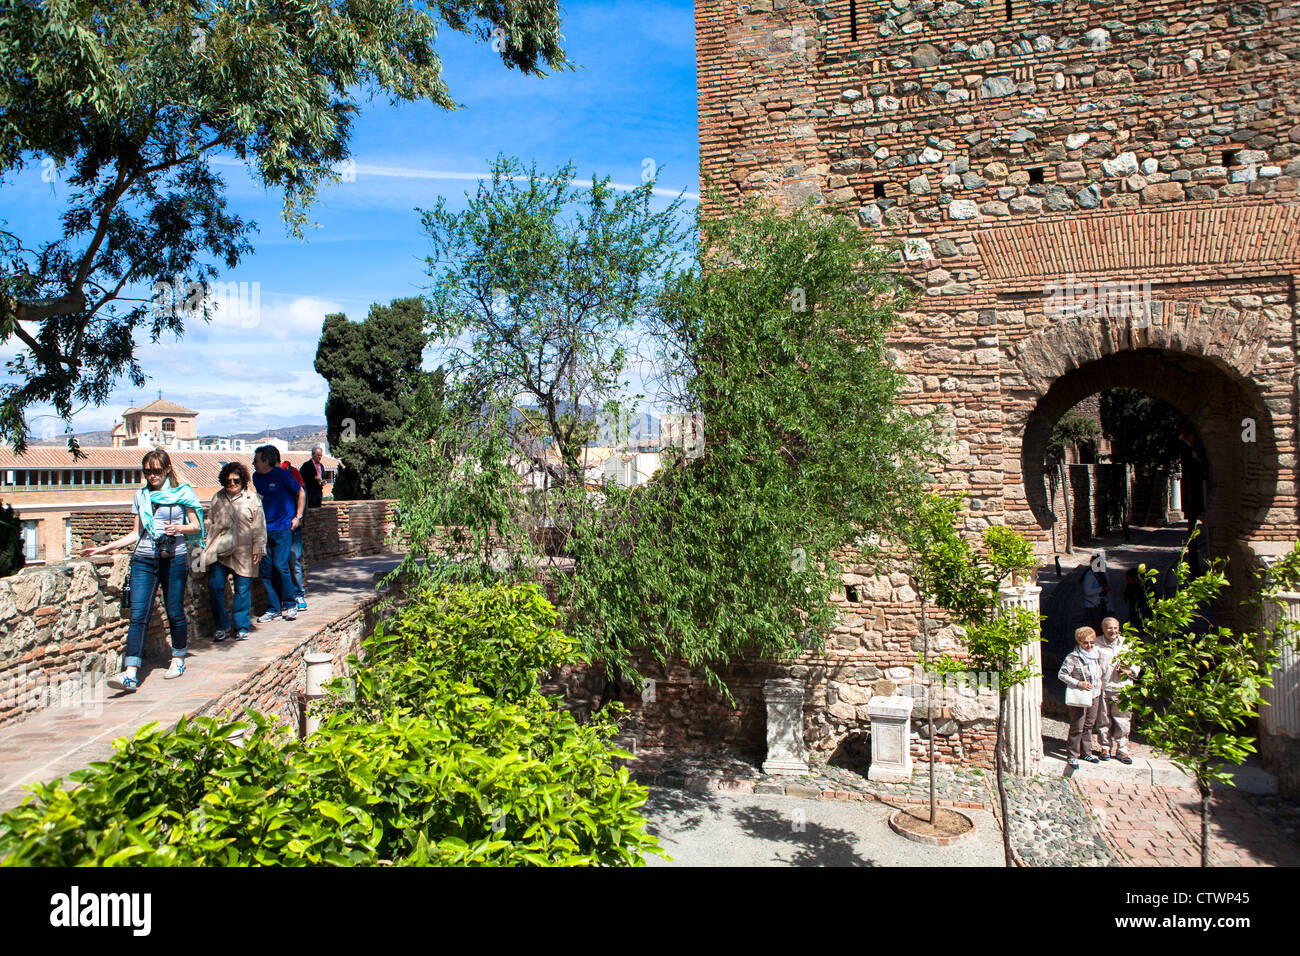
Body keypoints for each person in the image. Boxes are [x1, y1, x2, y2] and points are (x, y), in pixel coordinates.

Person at [78, 449, 203, 690]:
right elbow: (135, 534)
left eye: (157, 471)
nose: (152, 476)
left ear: (167, 469)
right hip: (144, 559)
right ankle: (131, 671)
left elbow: (196, 526)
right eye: (147, 471)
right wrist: (102, 549)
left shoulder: (182, 494)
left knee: (174, 609)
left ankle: (178, 657)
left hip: (174, 558)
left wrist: (178, 528)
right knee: (138, 615)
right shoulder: (141, 496)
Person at [203, 462, 266, 642]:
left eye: (236, 480)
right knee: (215, 586)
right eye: (228, 480)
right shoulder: (217, 498)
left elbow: (259, 525)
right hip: (220, 550)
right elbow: (210, 523)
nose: (232, 483)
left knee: (242, 590)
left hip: (244, 551)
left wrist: (259, 548)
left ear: (243, 480)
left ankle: (241, 626)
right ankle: (222, 626)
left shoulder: (252, 499)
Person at [252, 445, 305, 622]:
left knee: (280, 566)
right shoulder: (256, 477)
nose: (253, 463)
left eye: (257, 460)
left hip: (283, 527)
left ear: (266, 461)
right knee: (266, 570)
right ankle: (273, 608)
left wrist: (298, 516)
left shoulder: (283, 475)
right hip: (263, 529)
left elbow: (301, 493)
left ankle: (290, 605)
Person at [1059, 626, 1104, 769]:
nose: (1089, 645)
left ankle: (1087, 751)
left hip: (1094, 694)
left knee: (1089, 725)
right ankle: (1072, 754)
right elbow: (1062, 675)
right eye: (1085, 643)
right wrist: (1079, 683)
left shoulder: (1096, 655)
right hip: (1080, 695)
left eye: (1091, 642)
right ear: (1079, 642)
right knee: (1077, 725)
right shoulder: (1073, 658)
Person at [1095, 616, 1138, 765]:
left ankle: (1122, 749)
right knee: (1103, 720)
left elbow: (1137, 663)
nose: (1112, 631)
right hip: (1103, 687)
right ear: (1103, 629)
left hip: (1122, 688)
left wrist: (1130, 671)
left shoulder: (1128, 644)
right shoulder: (1096, 644)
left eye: (1115, 628)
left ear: (1119, 628)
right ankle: (1105, 747)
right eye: (1109, 628)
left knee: (1123, 720)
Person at [280, 458, 308, 611]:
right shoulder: (263, 477)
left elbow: (302, 493)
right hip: (276, 527)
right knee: (280, 563)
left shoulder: (291, 473)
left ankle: (298, 594)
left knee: (292, 559)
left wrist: (299, 516)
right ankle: (284, 597)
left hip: (292, 524)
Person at [1082, 550, 1110, 629]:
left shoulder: (1102, 574)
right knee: (1097, 627)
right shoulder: (1089, 575)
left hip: (1102, 604)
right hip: (1093, 605)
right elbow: (1087, 592)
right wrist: (1101, 589)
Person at [1124, 567, 1152, 633]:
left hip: (1144, 609)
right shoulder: (1130, 586)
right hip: (1136, 610)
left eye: (1129, 579)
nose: (1127, 581)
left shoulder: (1146, 586)